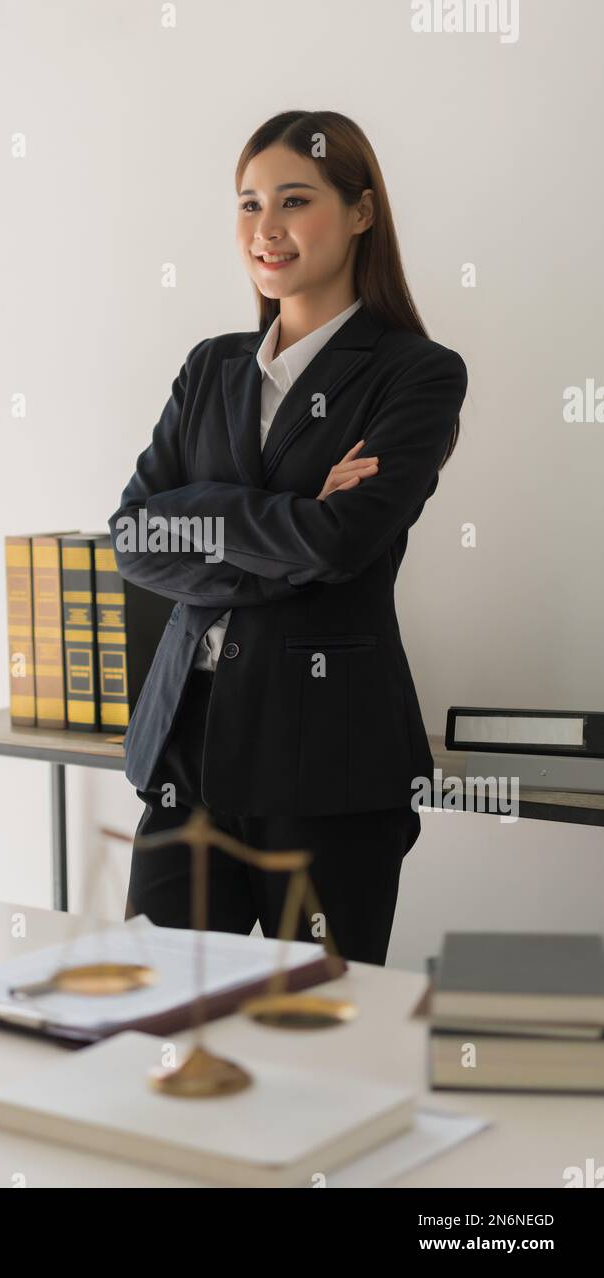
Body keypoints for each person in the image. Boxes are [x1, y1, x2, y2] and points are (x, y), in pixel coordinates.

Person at [107, 109, 468, 965]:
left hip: (326, 762)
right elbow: (133, 538)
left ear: (360, 211)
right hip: (185, 747)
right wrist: (295, 517)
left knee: (317, 1023)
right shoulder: (211, 366)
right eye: (248, 204)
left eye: (293, 201)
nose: (264, 228)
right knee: (158, 1011)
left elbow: (342, 544)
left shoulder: (415, 374)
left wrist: (203, 515)